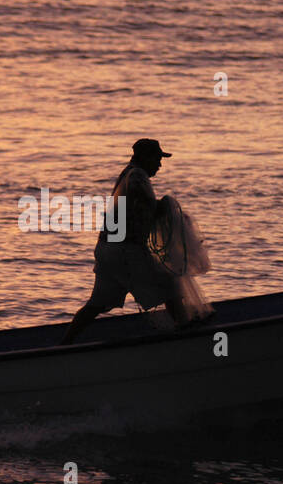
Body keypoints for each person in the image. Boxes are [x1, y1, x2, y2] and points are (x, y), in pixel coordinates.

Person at [60, 139, 188, 344]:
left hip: (107, 248)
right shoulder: (138, 176)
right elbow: (146, 206)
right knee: (169, 284)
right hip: (125, 250)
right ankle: (188, 335)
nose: (160, 165)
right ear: (145, 158)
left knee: (98, 303)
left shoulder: (126, 174)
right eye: (157, 159)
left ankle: (65, 343)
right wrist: (167, 208)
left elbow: (135, 208)